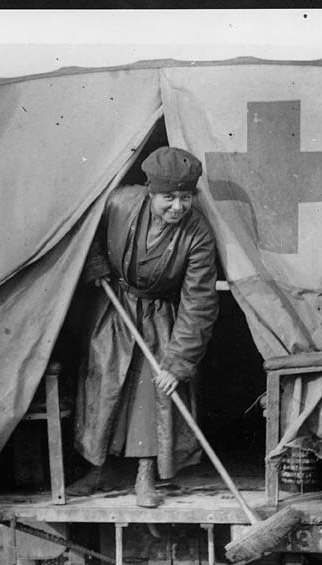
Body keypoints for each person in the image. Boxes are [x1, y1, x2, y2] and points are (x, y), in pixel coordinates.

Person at [69, 146, 219, 507]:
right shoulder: (119, 203)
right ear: (150, 191)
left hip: (160, 315)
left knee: (154, 389)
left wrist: (179, 362)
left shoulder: (198, 233)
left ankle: (145, 475)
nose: (178, 207)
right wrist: (96, 262)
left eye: (185, 198)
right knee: (103, 379)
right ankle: (98, 469)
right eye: (169, 198)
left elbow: (199, 302)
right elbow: (86, 229)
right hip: (116, 305)